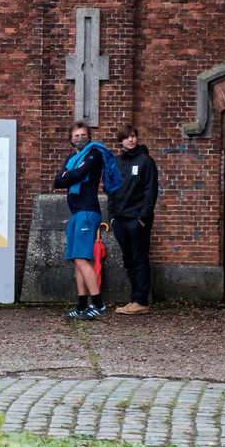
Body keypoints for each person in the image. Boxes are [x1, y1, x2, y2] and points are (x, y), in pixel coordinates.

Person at [53, 121, 105, 320]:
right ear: (70, 139)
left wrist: (70, 174)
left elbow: (80, 173)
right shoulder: (72, 157)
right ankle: (82, 306)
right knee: (76, 260)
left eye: (83, 134)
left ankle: (98, 305)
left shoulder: (94, 153)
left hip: (87, 212)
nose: (80, 138)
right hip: (75, 213)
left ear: (89, 137)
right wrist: (71, 173)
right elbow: (58, 181)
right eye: (76, 135)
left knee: (83, 259)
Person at [109, 124, 159, 315]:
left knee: (139, 258)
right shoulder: (115, 162)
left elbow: (150, 191)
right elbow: (111, 189)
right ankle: (135, 299)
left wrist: (144, 218)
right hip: (120, 220)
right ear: (120, 141)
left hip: (137, 220)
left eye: (133, 136)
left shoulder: (146, 161)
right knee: (128, 260)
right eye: (126, 137)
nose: (131, 140)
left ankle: (140, 300)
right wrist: (112, 216)